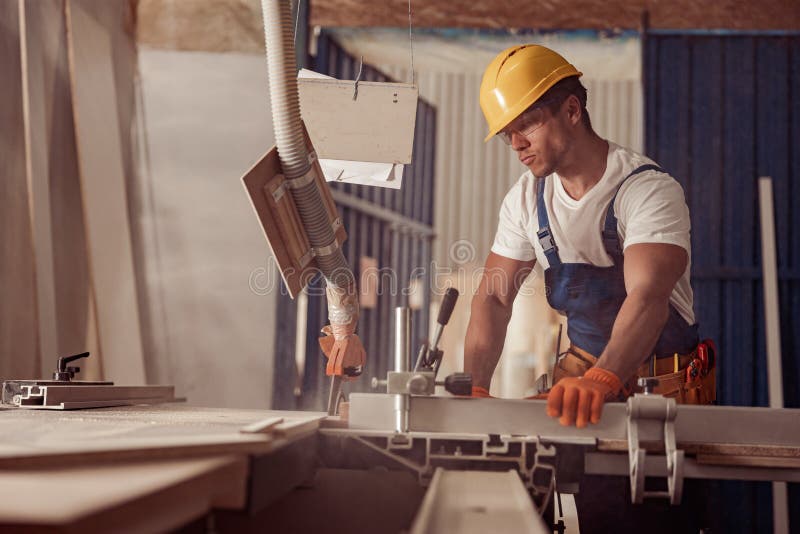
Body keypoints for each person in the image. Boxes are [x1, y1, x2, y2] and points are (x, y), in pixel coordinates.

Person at [464, 44, 715, 533]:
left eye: (526, 125)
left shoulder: (645, 190)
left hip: (661, 400)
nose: (515, 143)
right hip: (581, 393)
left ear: (572, 110)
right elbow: (493, 297)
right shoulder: (525, 201)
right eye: (506, 133)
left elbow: (648, 299)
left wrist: (603, 379)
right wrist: (475, 388)